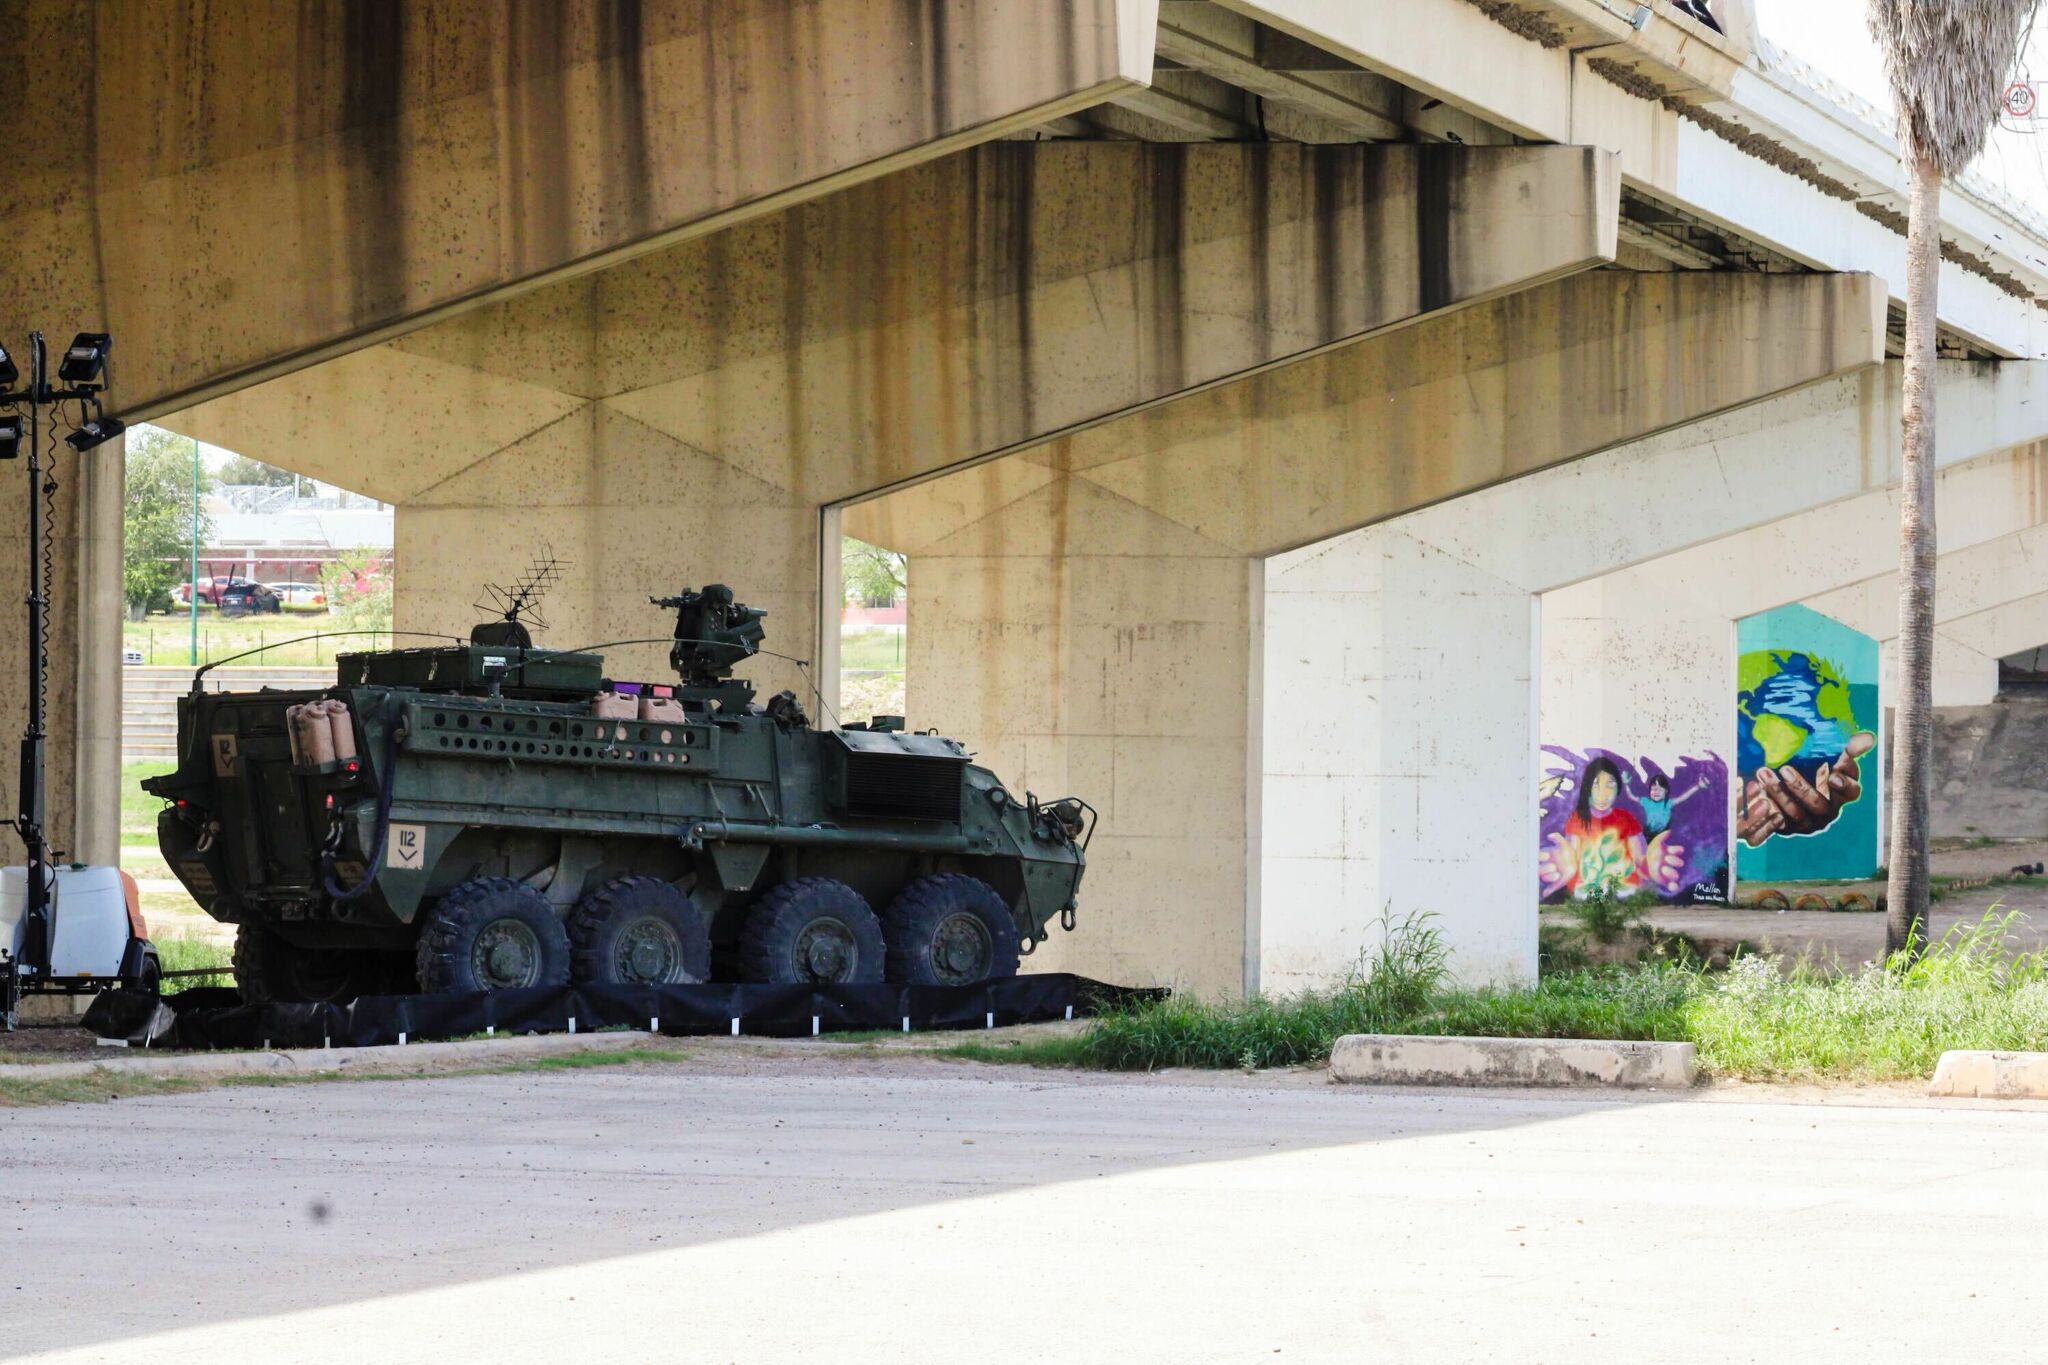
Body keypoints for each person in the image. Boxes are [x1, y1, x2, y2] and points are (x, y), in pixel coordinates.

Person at [1539, 756, 1686, 899]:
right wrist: (1566, 865)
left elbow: (1639, 859)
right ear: (1586, 788)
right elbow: (1573, 856)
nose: (1602, 794)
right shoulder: (1578, 819)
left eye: (1610, 785)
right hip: (1588, 891)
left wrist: (1650, 864)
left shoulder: (1626, 818)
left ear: (1618, 788)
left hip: (1625, 890)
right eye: (1595, 784)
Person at [1637, 772, 1709, 840]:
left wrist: (1698, 786)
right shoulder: (1647, 803)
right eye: (1654, 789)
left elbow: (1682, 797)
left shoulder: (1667, 803)